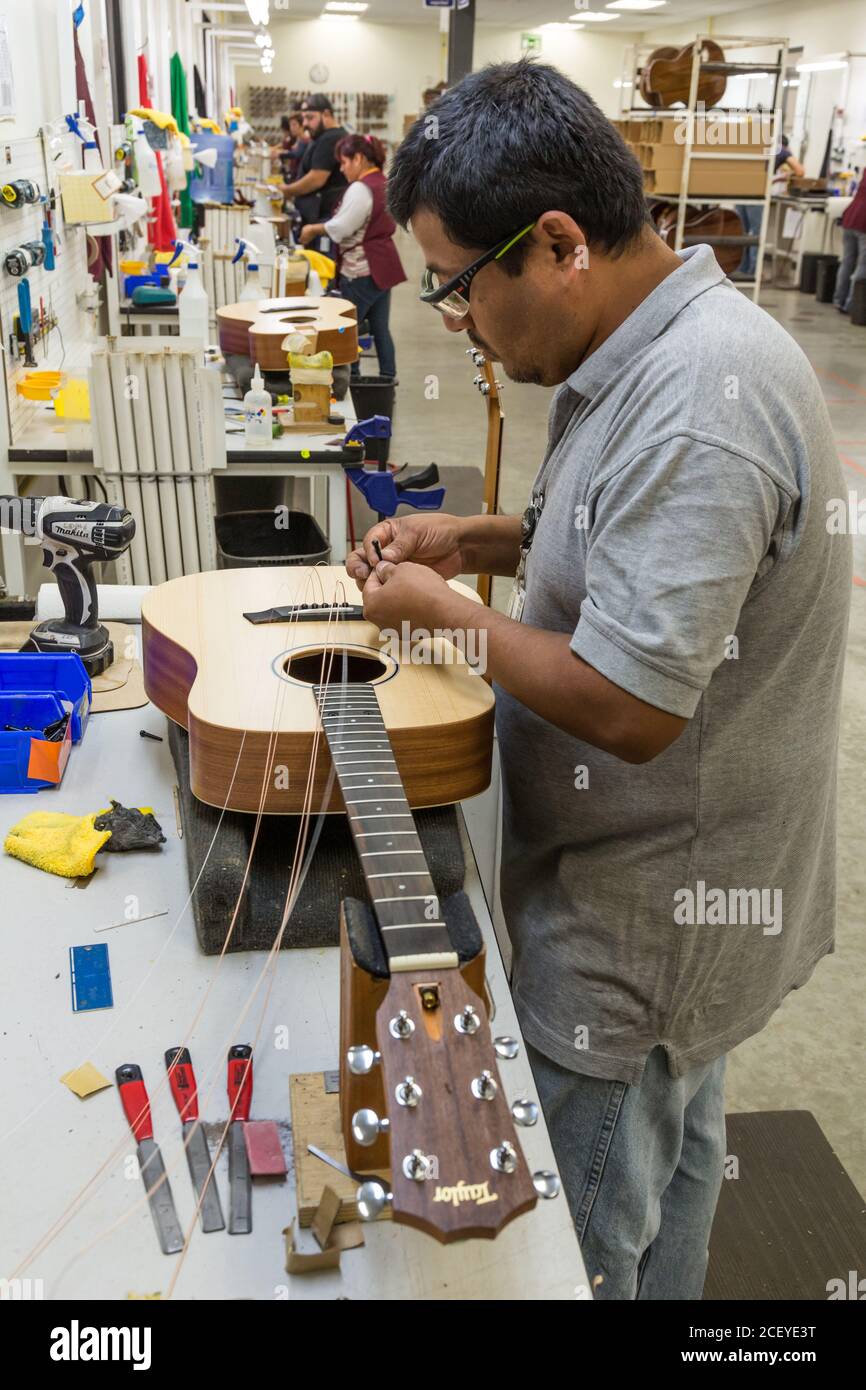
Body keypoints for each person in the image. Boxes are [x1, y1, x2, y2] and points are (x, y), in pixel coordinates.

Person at [346, 61, 851, 1300]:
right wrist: (483, 543)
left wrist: (439, 617)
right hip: (672, 903)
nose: (457, 324)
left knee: (576, 1235)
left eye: (462, 289)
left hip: (643, 926)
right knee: (671, 1168)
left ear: (557, 243)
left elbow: (630, 703)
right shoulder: (661, 346)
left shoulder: (694, 407)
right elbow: (643, 553)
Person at [299, 134, 406, 380]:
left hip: (361, 269)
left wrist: (313, 229)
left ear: (358, 159)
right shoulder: (383, 182)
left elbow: (342, 228)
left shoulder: (360, 188)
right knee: (380, 329)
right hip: (383, 266)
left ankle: (353, 381)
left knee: (347, 331)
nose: (341, 168)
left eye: (344, 162)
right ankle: (387, 379)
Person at [736, 134, 804, 279]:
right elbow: (800, 171)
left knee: (742, 232)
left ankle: (741, 268)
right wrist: (787, 174)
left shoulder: (761, 148)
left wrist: (777, 178)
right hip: (756, 195)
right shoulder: (783, 151)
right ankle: (754, 271)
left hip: (740, 191)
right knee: (756, 234)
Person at [280, 94, 347, 230]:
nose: (304, 124)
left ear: (326, 114)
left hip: (323, 216)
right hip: (315, 215)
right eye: (304, 118)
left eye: (310, 118)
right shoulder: (322, 136)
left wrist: (288, 190)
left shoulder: (330, 139)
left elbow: (316, 179)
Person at [833, 173, 866, 314]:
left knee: (847, 262)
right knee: (863, 265)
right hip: (863, 222)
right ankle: (851, 305)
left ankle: (839, 300)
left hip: (851, 216)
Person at [271, 112, 307, 183]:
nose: (291, 128)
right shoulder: (298, 139)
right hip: (293, 177)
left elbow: (296, 154)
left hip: (299, 180)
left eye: (294, 125)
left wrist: (280, 153)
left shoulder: (305, 139)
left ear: (302, 125)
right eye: (290, 125)